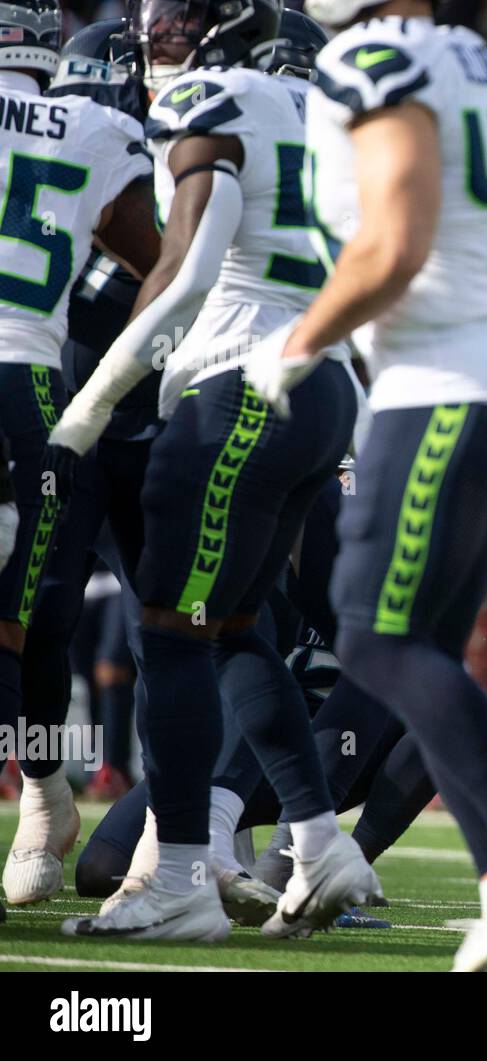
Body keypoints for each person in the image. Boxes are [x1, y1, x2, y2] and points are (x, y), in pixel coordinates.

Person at [248, 0, 487, 971]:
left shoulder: (369, 59)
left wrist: (296, 341)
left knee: (374, 637)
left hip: (433, 394)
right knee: (430, 657)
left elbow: (394, 240)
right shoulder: (463, 56)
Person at [50, 0, 375, 942]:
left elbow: (187, 271)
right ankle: (318, 840)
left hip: (242, 382)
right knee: (233, 626)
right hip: (326, 391)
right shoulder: (334, 125)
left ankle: (182, 877)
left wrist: (95, 402)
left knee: (172, 628)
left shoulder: (219, 94)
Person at [0, 0, 159, 917]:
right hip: (50, 409)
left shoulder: (162, 146)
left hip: (129, 424)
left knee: (157, 629)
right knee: (38, 619)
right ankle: (41, 791)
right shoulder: (83, 139)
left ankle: (208, 838)